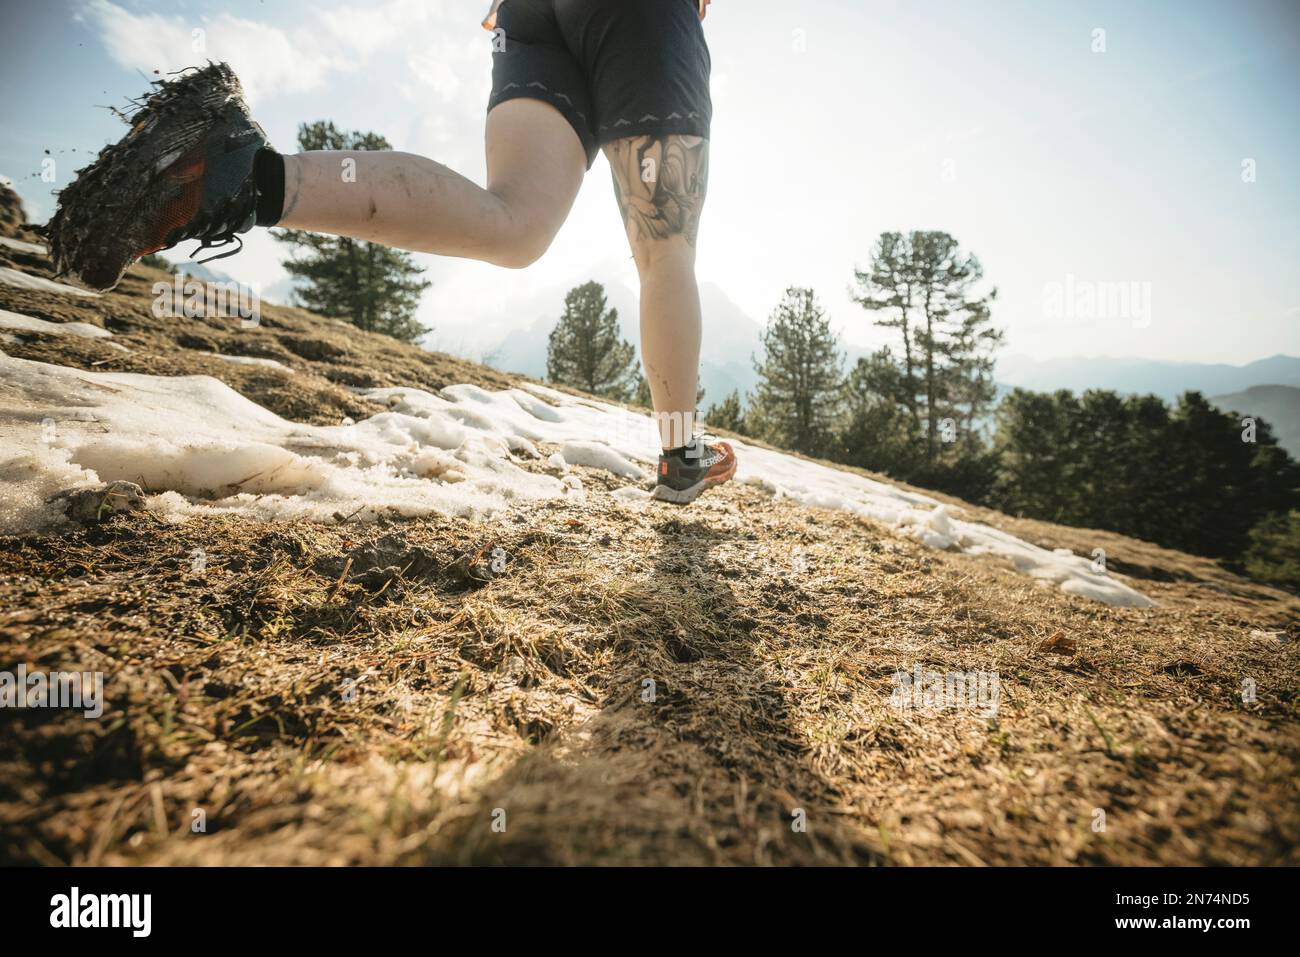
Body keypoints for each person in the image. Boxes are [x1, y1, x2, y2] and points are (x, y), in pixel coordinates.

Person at [48, 0, 735, 504]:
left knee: (515, 222)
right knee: (666, 247)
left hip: (532, 15)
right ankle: (681, 454)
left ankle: (241, 176)